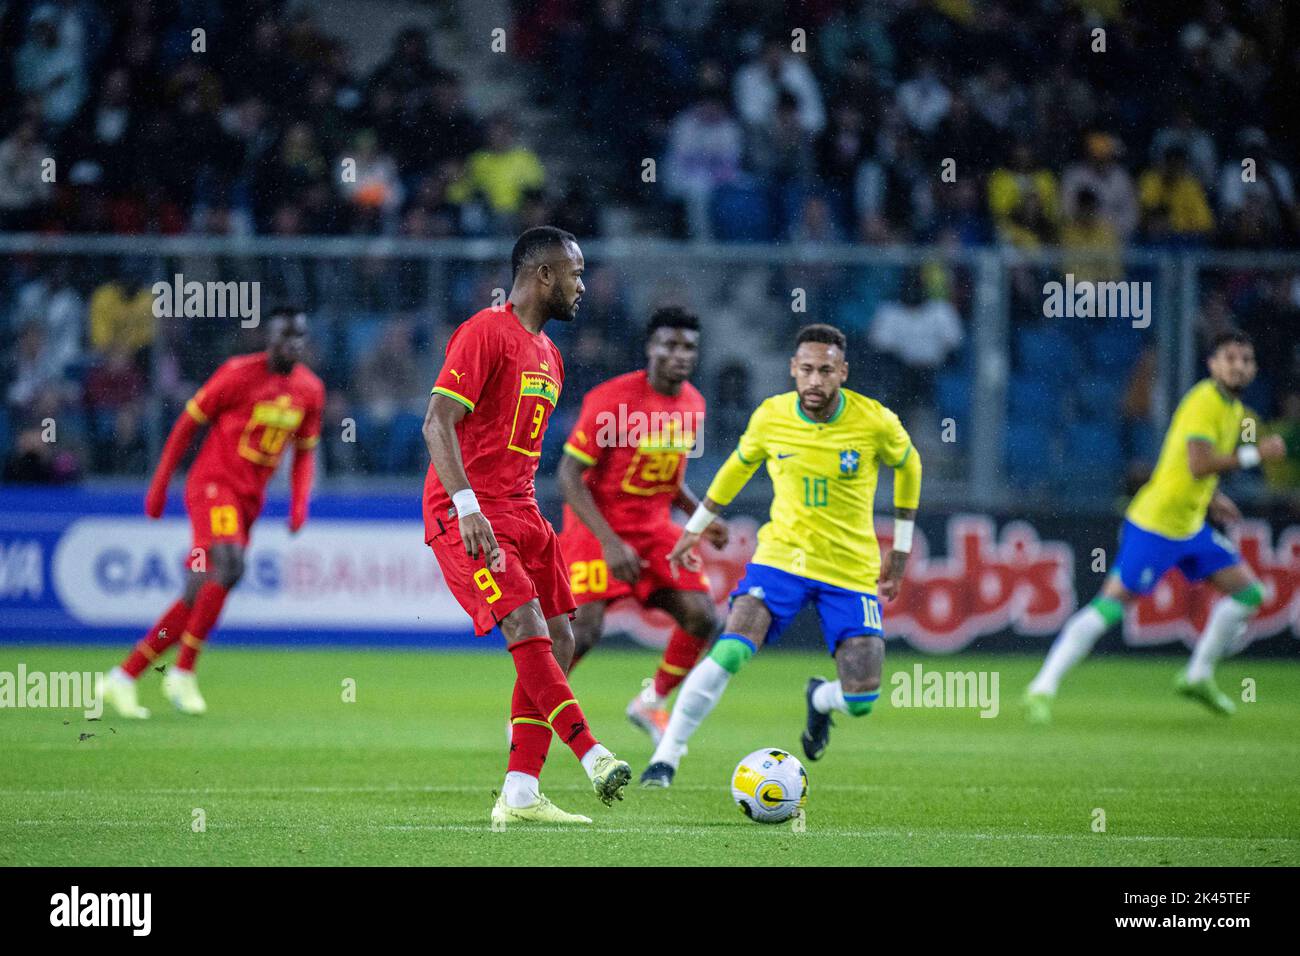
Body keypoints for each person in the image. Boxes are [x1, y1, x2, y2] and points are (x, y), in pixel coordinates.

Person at [641, 323, 923, 787]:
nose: (815, 380)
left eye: (826, 371)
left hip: (851, 568)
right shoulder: (771, 416)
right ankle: (667, 755)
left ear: (843, 373)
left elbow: (909, 464)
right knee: (730, 649)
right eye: (807, 369)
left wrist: (901, 548)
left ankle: (821, 701)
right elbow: (737, 467)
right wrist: (693, 529)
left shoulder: (874, 422)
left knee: (862, 698)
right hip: (781, 559)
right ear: (793, 369)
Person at [421, 226, 631, 825]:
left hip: (524, 514)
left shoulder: (551, 354)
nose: (582, 285)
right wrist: (467, 508)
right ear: (544, 275)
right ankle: (591, 752)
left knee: (562, 640)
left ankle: (519, 792)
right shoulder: (485, 332)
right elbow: (437, 422)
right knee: (524, 622)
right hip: (469, 513)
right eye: (576, 272)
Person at [1025, 330, 1287, 722]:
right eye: (1229, 358)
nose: (1238, 365)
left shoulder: (1232, 410)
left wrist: (1212, 498)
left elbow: (1185, 466)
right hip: (1155, 524)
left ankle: (1198, 674)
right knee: (1111, 606)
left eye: (1246, 359)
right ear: (1213, 364)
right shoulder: (1204, 402)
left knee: (1249, 594)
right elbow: (1199, 462)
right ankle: (1041, 688)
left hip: (1191, 526)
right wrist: (1255, 455)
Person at [101, 308, 324, 718]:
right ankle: (183, 671)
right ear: (268, 337)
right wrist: (159, 485)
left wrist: (298, 503)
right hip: (212, 486)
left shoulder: (310, 389)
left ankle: (124, 676)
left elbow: (305, 454)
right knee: (230, 563)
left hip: (249, 499)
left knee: (197, 590)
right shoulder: (237, 374)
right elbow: (187, 425)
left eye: (298, 338)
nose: (291, 345)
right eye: (283, 337)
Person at [557, 307, 728, 743]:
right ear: (650, 348)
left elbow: (669, 477)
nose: (680, 354)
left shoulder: (693, 403)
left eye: (689, 347)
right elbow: (568, 476)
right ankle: (534, 711)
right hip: (595, 526)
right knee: (583, 631)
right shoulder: (611, 400)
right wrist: (610, 542)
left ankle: (651, 702)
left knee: (702, 617)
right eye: (669, 344)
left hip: (653, 529)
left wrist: (700, 518)